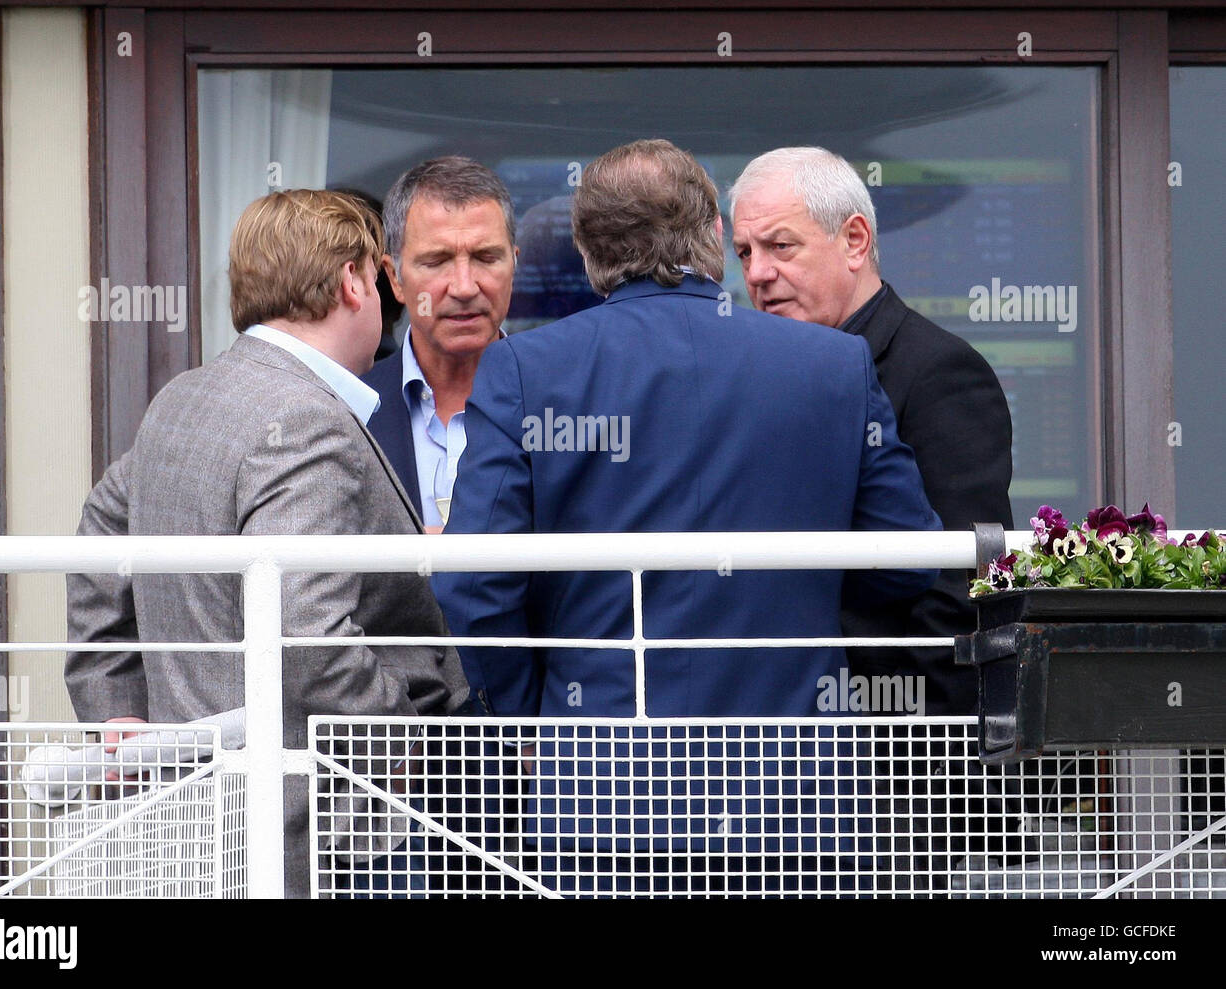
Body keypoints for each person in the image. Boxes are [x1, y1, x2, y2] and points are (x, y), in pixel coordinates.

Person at [432, 139, 942, 894]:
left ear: (587, 252)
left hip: (604, 799)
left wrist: (532, 719)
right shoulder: (829, 363)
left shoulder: (526, 369)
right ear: (711, 235)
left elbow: (473, 588)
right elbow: (911, 557)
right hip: (794, 801)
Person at [64, 189, 468, 898]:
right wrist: (401, 739)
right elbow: (305, 628)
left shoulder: (185, 396)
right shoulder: (303, 417)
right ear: (352, 281)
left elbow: (102, 524)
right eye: (378, 276)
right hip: (332, 830)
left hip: (205, 821)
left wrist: (115, 705)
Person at [730, 146, 1014, 716]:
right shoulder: (757, 375)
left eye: (781, 246)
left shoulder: (940, 371)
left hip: (893, 761)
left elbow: (961, 584)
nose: (758, 273)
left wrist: (885, 739)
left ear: (855, 241)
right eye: (744, 252)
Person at [362, 156, 516, 545]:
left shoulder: (563, 406)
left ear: (514, 265)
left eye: (486, 257)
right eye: (436, 261)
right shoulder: (350, 408)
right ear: (394, 278)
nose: (464, 287)